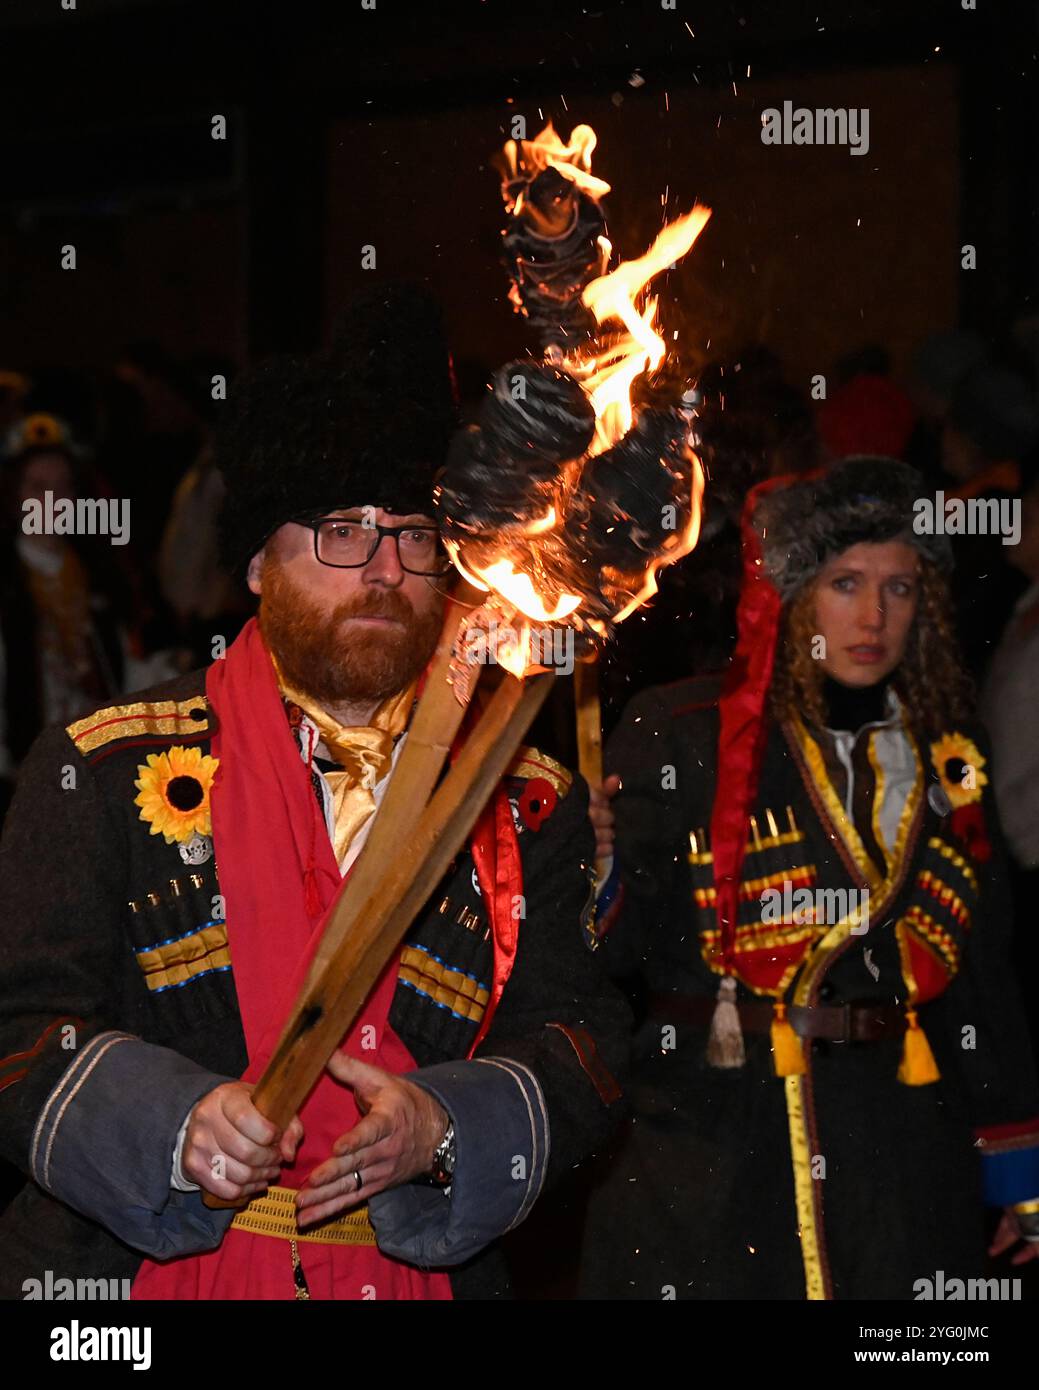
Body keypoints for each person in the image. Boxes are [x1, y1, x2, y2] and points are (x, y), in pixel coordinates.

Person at [0, 288, 628, 1301]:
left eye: (414, 535)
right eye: (341, 531)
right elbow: (19, 1036)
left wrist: (445, 1126)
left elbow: (584, 1047)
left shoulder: (525, 800)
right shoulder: (99, 767)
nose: (384, 569)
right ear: (258, 562)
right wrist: (174, 1122)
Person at [581, 455, 1039, 1300]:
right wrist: (593, 868)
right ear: (790, 599)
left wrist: (1018, 1167)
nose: (873, 615)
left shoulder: (948, 752)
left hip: (903, 1154)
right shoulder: (681, 731)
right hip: (714, 1148)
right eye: (844, 583)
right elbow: (603, 962)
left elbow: (982, 978)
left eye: (899, 588)